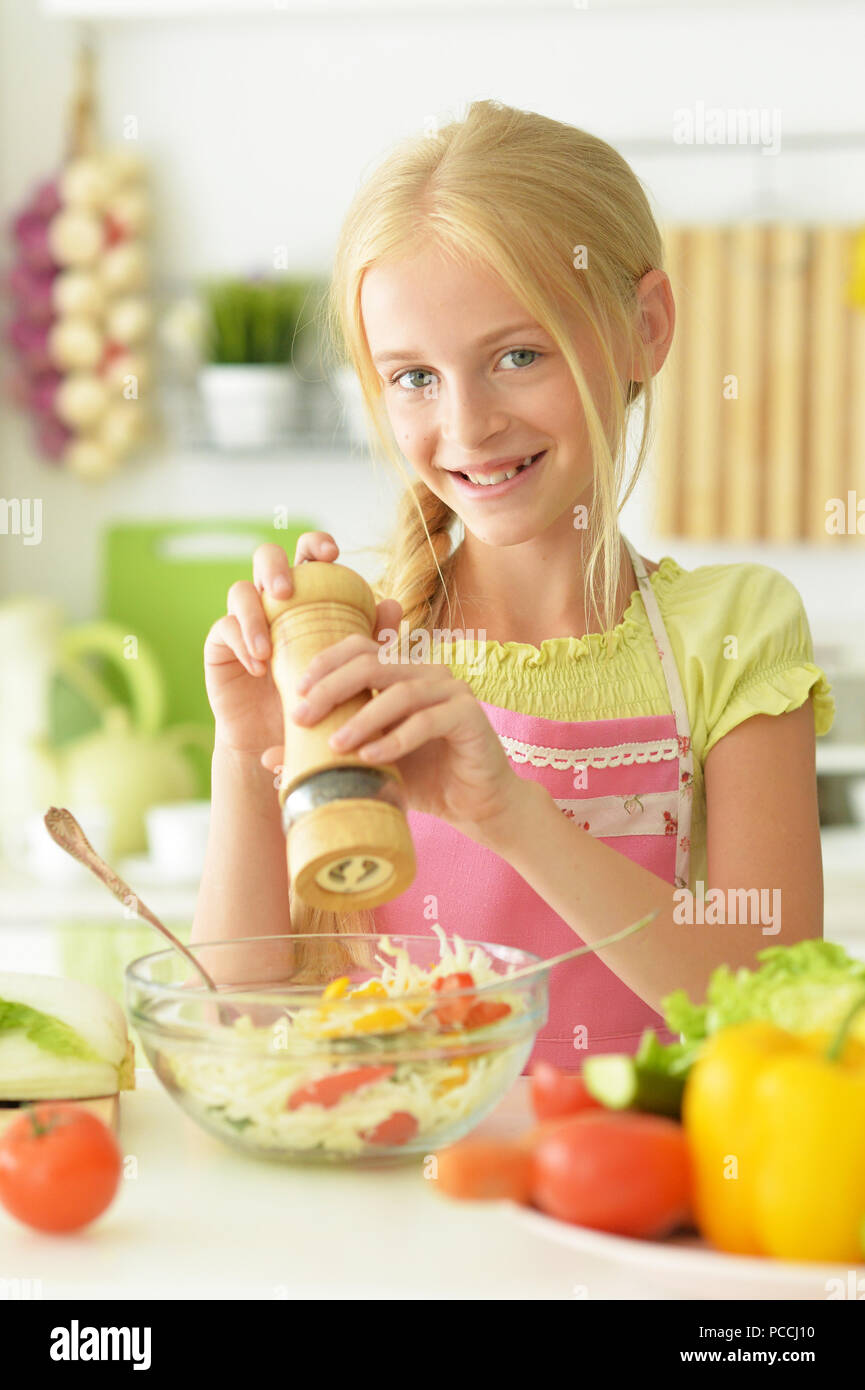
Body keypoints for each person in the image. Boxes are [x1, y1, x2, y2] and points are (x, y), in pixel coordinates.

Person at [194, 100, 834, 1065]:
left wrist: (511, 816)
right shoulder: (357, 648)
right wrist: (249, 759)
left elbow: (777, 1009)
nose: (468, 426)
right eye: (413, 377)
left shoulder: (731, 631)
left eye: (516, 356)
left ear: (643, 328)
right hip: (400, 1194)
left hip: (625, 1198)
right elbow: (237, 1026)